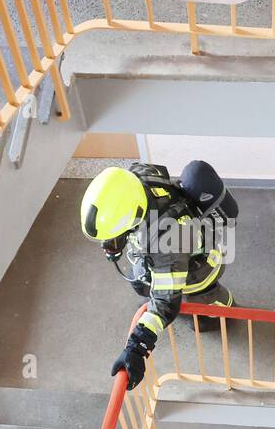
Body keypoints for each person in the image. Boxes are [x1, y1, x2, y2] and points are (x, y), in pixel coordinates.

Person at [80, 160, 238, 390]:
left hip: (198, 271)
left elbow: (165, 303)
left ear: (132, 219)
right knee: (144, 284)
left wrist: (137, 347)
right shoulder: (135, 177)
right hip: (164, 253)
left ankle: (224, 308)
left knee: (204, 310)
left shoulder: (169, 240)